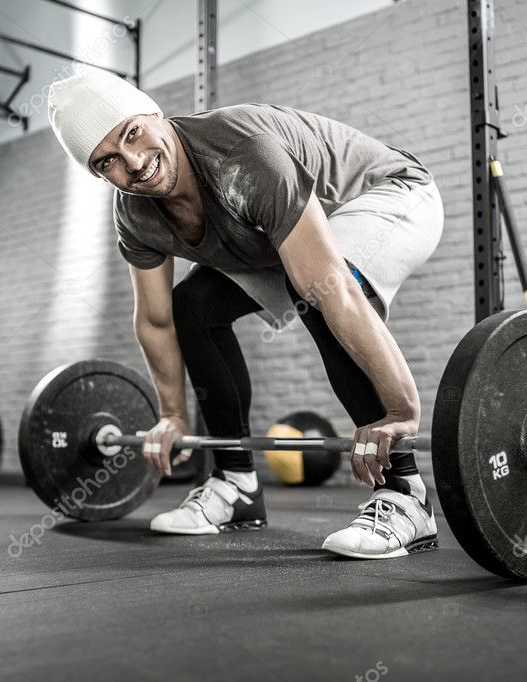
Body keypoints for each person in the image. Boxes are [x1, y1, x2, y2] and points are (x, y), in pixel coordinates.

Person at [47, 70, 444, 559]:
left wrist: (401, 412)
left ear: (154, 112)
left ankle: (406, 495)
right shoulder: (135, 212)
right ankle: (235, 484)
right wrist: (172, 415)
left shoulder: (243, 154)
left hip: (390, 193)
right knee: (193, 306)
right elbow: (155, 319)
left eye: (132, 133)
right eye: (107, 160)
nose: (133, 162)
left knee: (316, 287)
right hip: (285, 238)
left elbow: (331, 286)